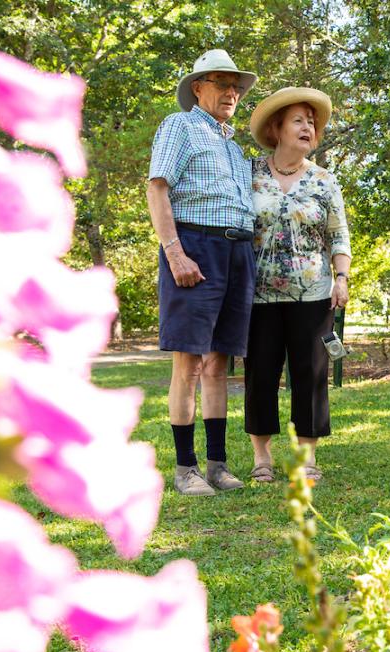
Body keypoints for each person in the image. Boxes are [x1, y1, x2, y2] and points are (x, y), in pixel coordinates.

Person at [147, 50, 258, 496]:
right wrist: (175, 253)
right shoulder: (181, 126)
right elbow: (158, 189)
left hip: (237, 251)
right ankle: (185, 468)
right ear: (198, 88)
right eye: (221, 83)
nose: (232, 92)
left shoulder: (233, 147)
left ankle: (217, 465)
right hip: (195, 246)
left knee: (218, 364)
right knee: (189, 364)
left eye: (237, 86)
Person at [245, 87, 351, 482]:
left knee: (309, 373)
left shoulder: (325, 181)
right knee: (260, 373)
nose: (308, 127)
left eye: (312, 122)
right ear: (277, 129)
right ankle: (262, 459)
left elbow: (339, 235)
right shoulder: (250, 173)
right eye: (298, 120)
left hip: (313, 293)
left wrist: (341, 277)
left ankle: (307, 458)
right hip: (257, 294)